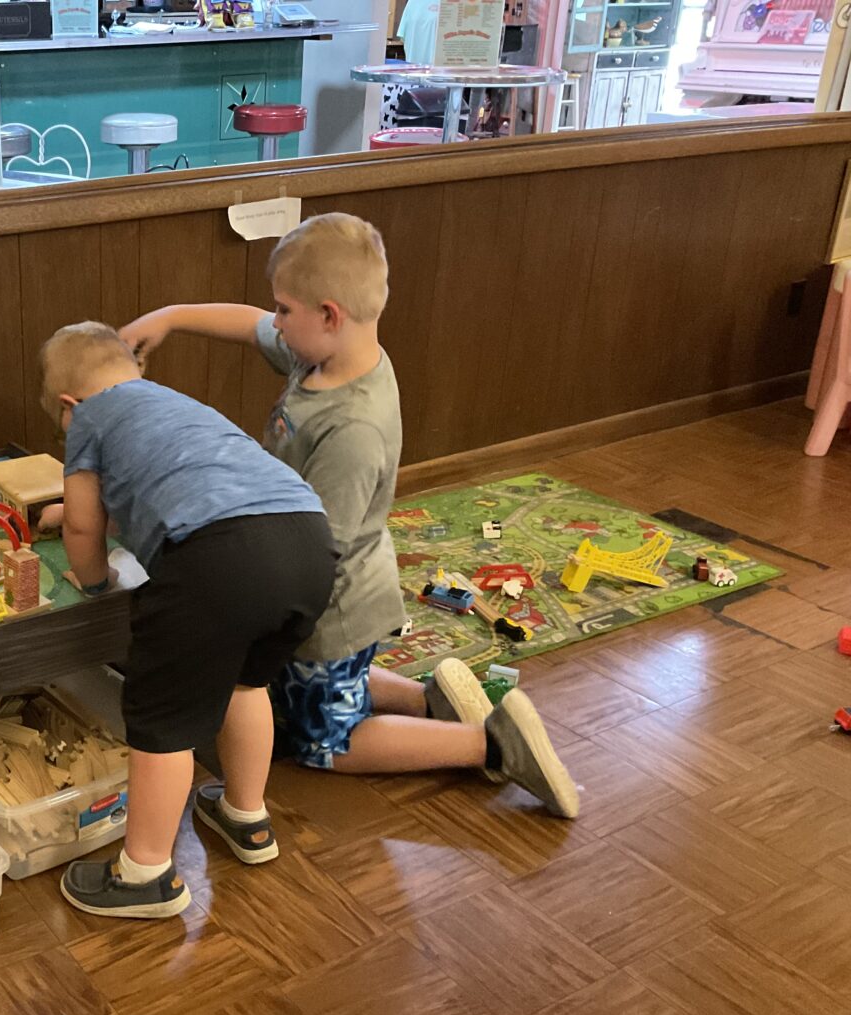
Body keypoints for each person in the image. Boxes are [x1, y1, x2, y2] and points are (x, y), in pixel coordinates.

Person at [120, 213, 578, 818]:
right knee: (315, 687)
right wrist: (170, 317)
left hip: (329, 602)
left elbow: (319, 545)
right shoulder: (327, 356)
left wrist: (258, 603)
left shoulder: (352, 427)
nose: (275, 322)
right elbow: (248, 325)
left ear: (329, 314)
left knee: (325, 740)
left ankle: (488, 744)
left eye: (284, 310)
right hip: (334, 592)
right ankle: (428, 700)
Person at [39, 321, 336, 918]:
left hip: (218, 560)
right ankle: (246, 817)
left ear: (70, 405)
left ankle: (145, 873)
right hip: (307, 539)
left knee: (163, 719)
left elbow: (82, 525)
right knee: (245, 683)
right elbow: (176, 490)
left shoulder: (91, 418)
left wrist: (96, 583)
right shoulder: (174, 403)